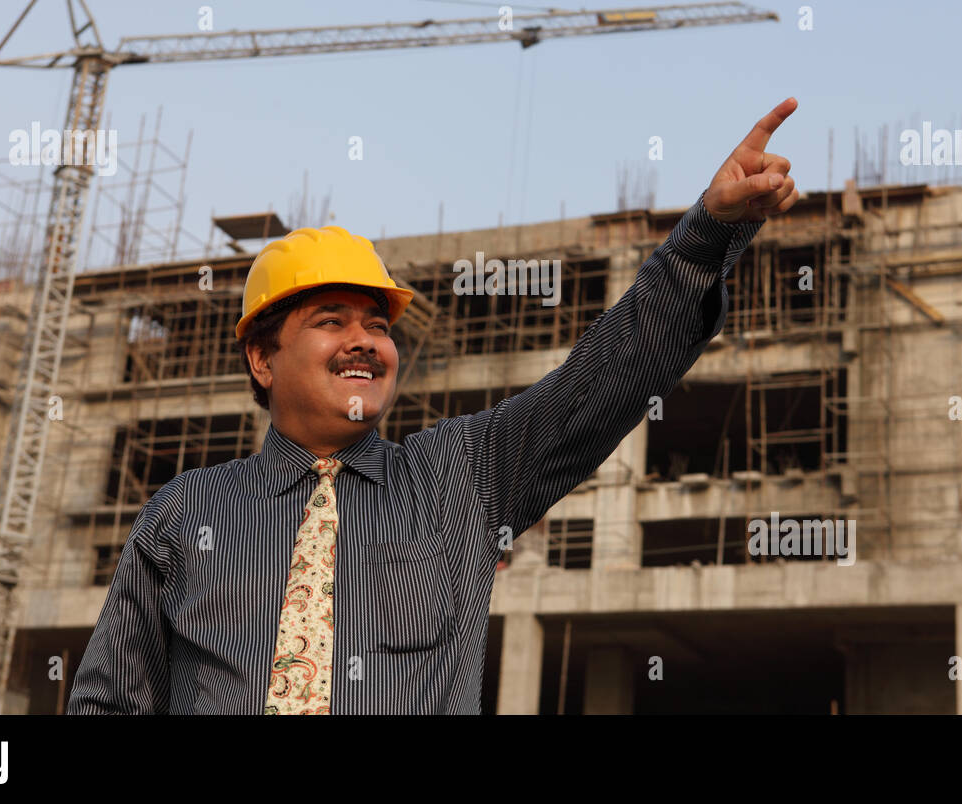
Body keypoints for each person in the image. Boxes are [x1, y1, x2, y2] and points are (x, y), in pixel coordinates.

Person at [66, 98, 800, 714]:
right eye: (331, 321)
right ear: (262, 358)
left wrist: (704, 239)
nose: (364, 343)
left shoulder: (463, 475)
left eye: (379, 326)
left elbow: (600, 384)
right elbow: (108, 702)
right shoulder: (183, 514)